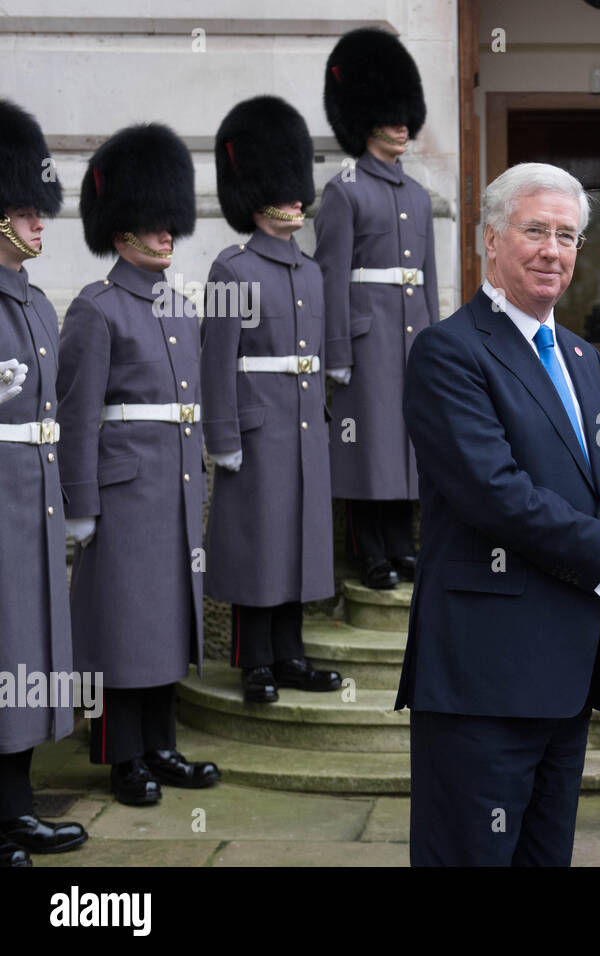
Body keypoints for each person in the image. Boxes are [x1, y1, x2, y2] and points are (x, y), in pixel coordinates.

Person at [399, 162, 600, 866]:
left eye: (567, 235)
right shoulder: (448, 352)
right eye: (534, 231)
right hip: (482, 675)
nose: (552, 250)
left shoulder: (585, 358)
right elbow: (497, 495)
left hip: (568, 674)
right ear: (490, 239)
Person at [57, 123, 220, 806]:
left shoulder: (179, 310)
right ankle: (122, 757)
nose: (166, 236)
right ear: (120, 231)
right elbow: (76, 413)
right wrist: (80, 505)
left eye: (168, 224)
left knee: (164, 628)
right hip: (124, 493)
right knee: (125, 627)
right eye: (153, 225)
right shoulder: (97, 310)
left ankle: (162, 746)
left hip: (174, 489)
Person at [203, 95, 342, 704]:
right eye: (285, 191)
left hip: (304, 425)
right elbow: (216, 362)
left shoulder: (310, 272)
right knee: (257, 544)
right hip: (257, 428)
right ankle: (253, 659)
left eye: (296, 190)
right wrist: (224, 438)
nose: (297, 200)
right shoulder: (231, 270)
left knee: (300, 544)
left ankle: (291, 653)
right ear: (255, 196)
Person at [316, 27, 438, 590]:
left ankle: (401, 544)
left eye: (405, 115)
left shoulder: (415, 194)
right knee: (368, 445)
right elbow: (330, 276)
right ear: (366, 119)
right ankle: (370, 551)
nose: (402, 125)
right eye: (391, 116)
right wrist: (336, 350)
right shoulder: (345, 190)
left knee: (408, 442)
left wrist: (437, 345)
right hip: (367, 339)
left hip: (412, 337)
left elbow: (428, 279)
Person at [0, 99, 87, 865]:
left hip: (33, 500)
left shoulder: (33, 303)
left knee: (28, 657)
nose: (40, 225)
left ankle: (15, 807)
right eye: (27, 212)